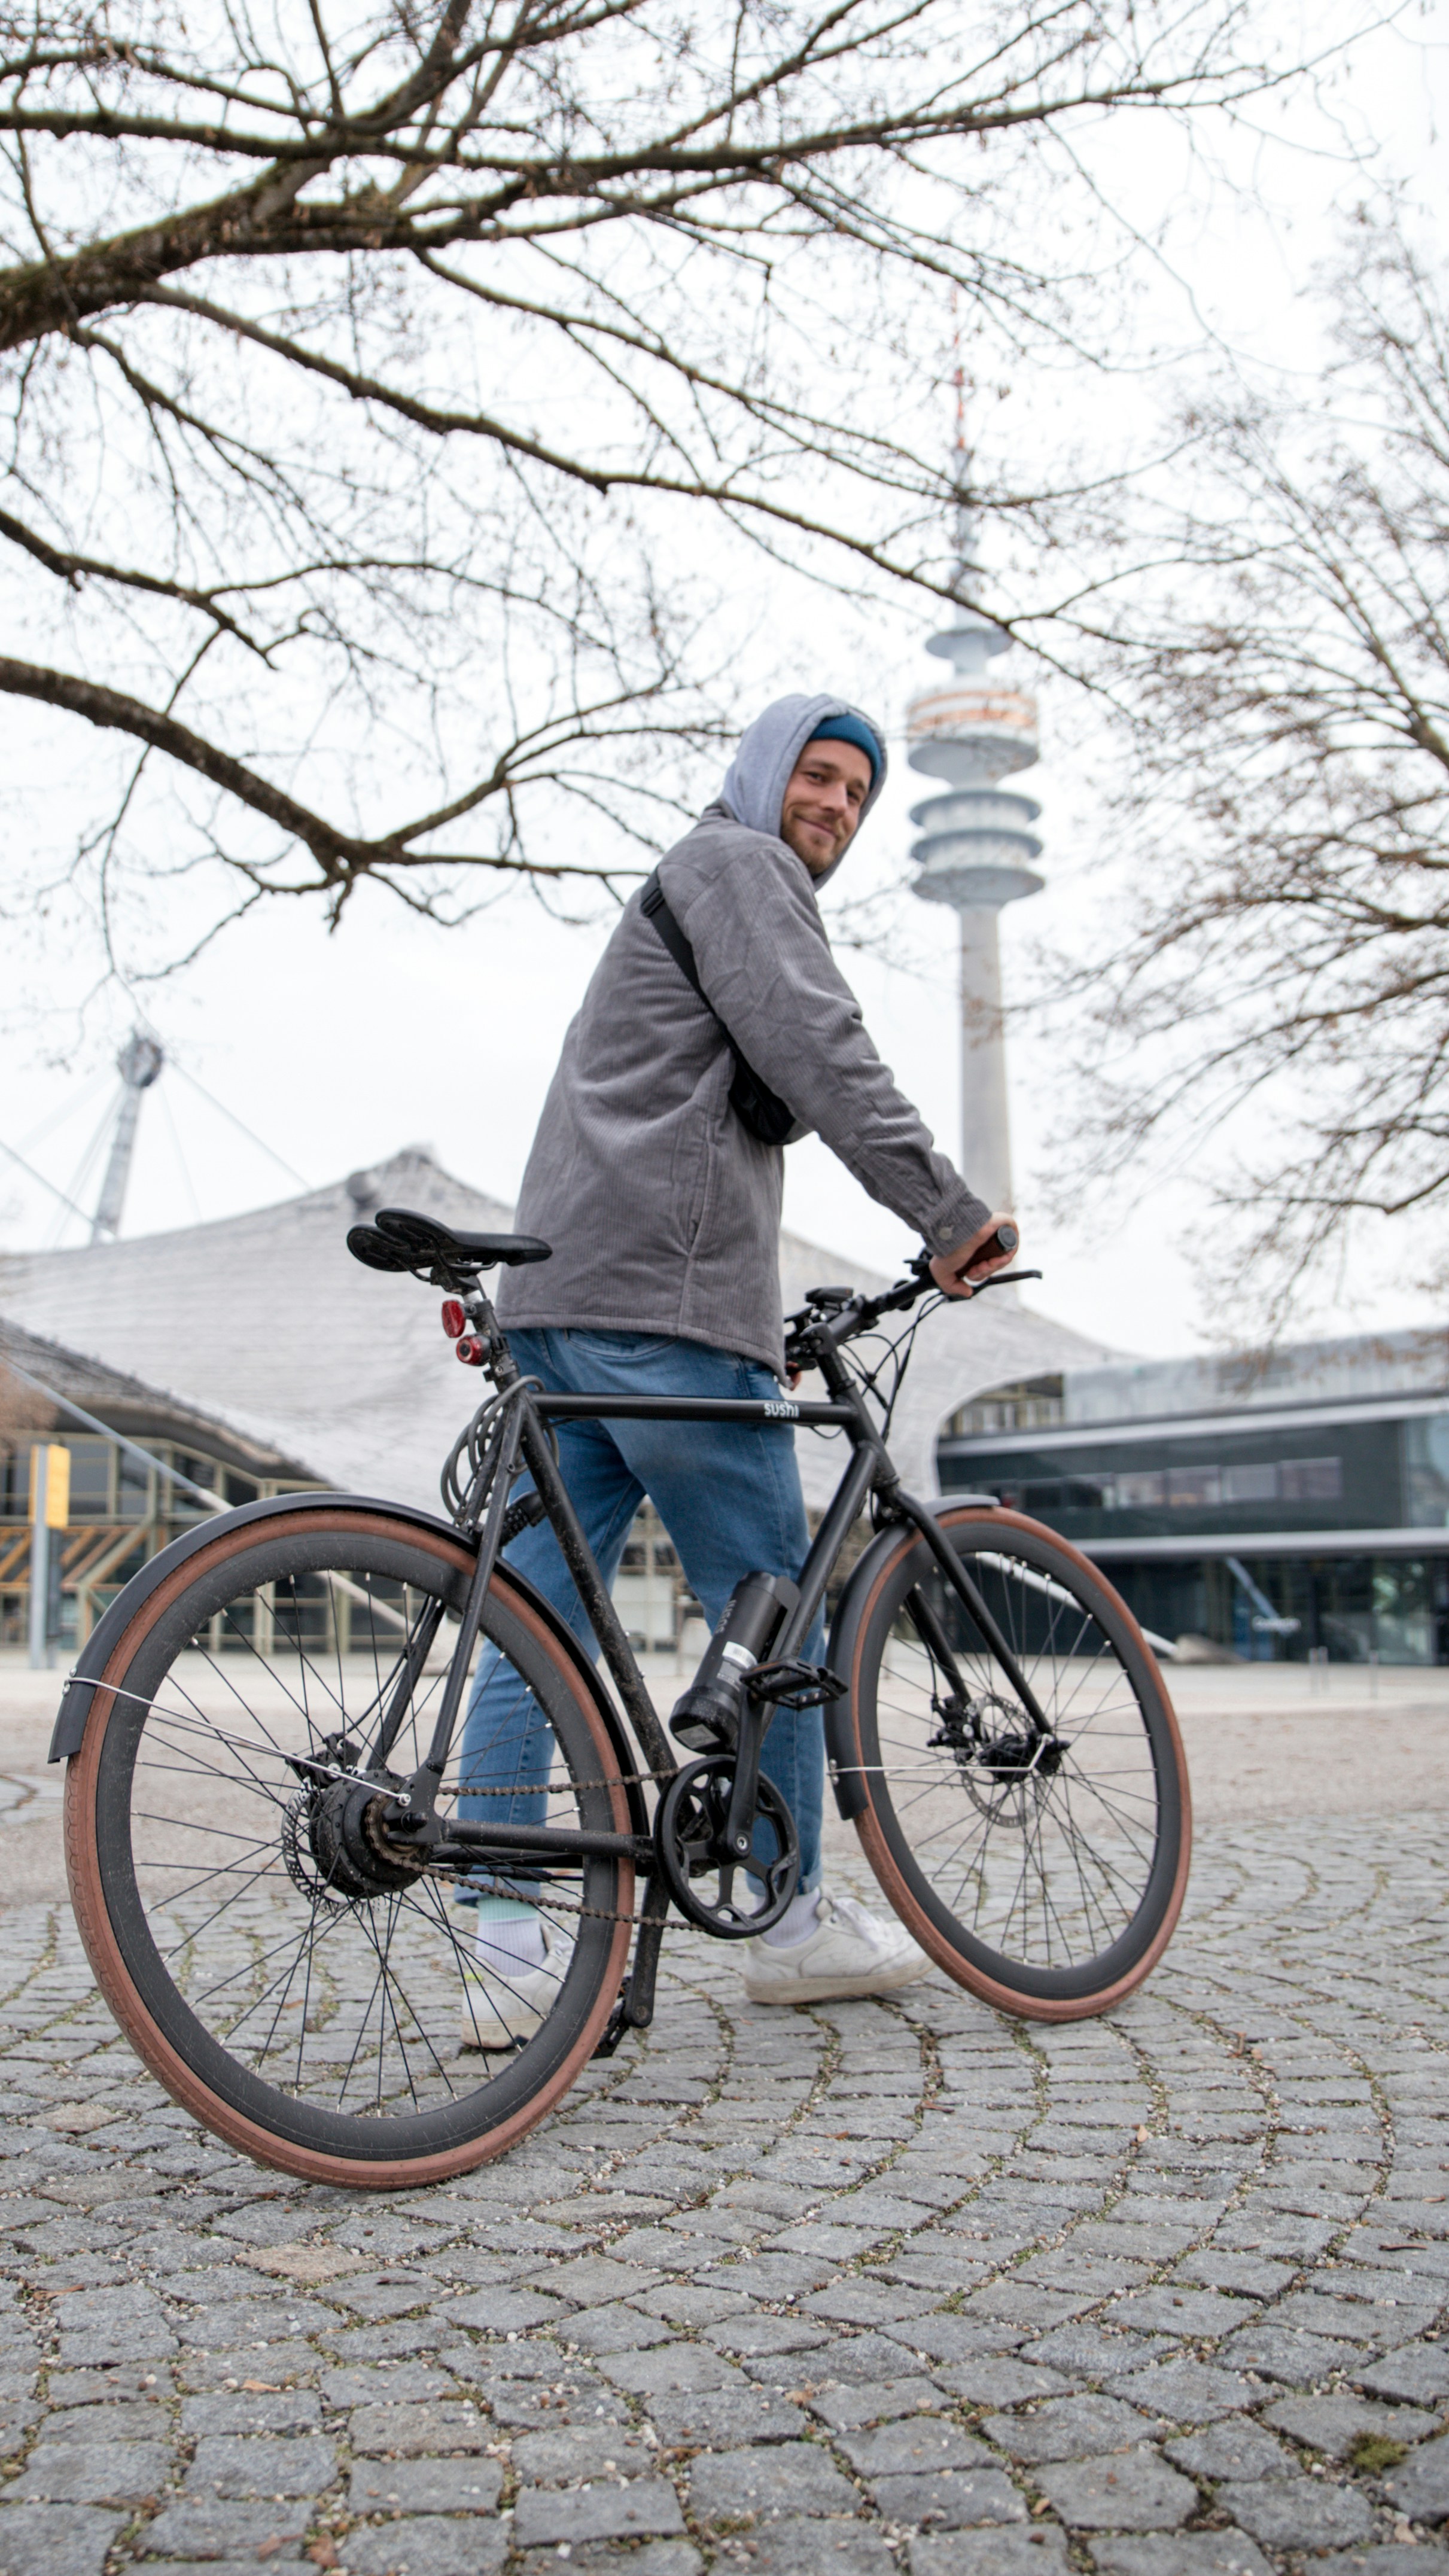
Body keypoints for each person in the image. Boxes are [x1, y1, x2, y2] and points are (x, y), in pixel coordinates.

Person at [455, 693, 1017, 2046]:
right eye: (816, 777)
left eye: (853, 796)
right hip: (668, 1305)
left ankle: (508, 1945)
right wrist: (947, 1215)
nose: (830, 807)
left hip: (569, 1297)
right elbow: (818, 1047)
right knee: (774, 1607)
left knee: (532, 1623)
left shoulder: (674, 883)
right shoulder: (736, 866)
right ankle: (788, 1914)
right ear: (762, 774)